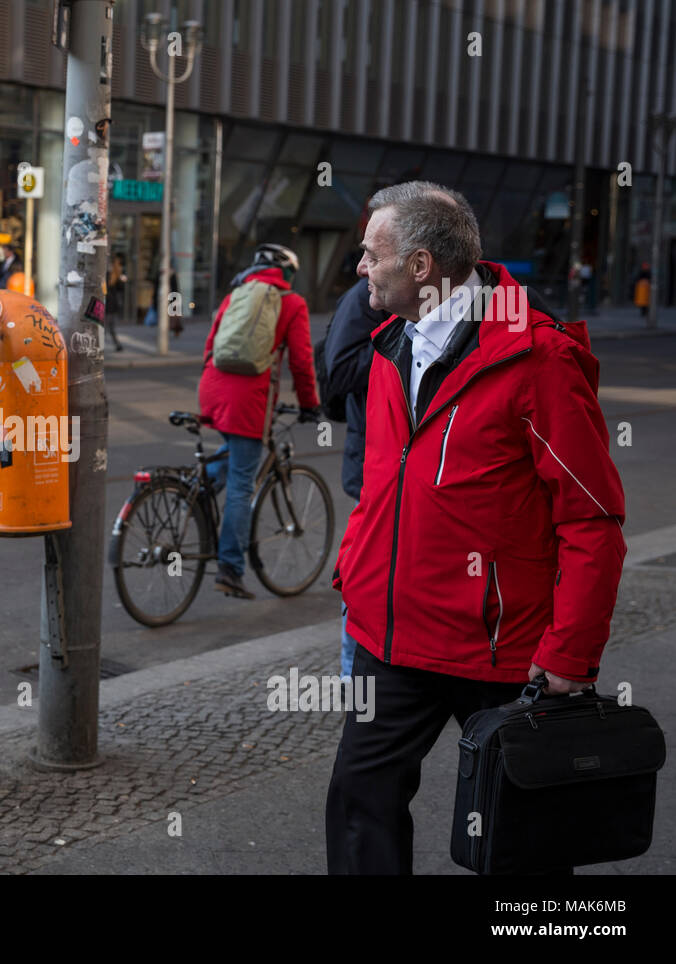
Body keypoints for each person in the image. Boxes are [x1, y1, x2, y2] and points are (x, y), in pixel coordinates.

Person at [326, 181, 626, 875]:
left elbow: (593, 518)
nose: (361, 268)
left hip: (503, 649)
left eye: (371, 255)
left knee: (521, 832)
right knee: (358, 804)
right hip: (390, 634)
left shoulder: (537, 358)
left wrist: (571, 654)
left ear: (423, 266)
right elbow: (385, 483)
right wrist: (356, 571)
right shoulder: (390, 343)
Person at [198, 243, 320, 599]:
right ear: (288, 273)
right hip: (248, 402)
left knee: (234, 453)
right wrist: (310, 404)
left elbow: (211, 343)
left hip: (212, 388)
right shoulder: (292, 303)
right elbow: (301, 361)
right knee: (242, 484)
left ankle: (194, 494)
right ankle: (231, 569)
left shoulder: (235, 295)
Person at [323, 277, 388, 678]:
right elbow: (340, 368)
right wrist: (407, 342)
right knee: (369, 563)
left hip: (389, 456)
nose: (364, 266)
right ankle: (354, 674)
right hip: (373, 455)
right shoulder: (365, 296)